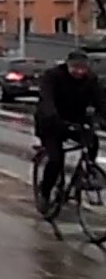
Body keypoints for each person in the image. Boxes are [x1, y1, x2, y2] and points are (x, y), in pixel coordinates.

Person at [35, 50, 106, 208]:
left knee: (92, 142)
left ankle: (83, 177)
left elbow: (101, 101)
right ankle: (45, 192)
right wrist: (51, 114)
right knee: (55, 159)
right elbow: (46, 98)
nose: (79, 72)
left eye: (83, 68)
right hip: (51, 122)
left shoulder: (91, 80)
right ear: (67, 66)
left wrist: (102, 118)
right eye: (75, 68)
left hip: (76, 120)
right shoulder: (53, 76)